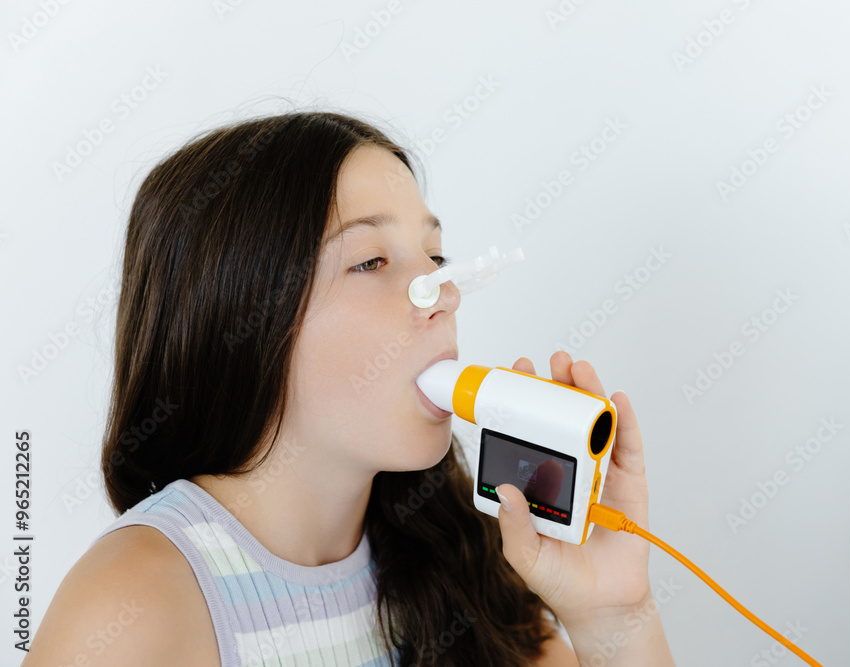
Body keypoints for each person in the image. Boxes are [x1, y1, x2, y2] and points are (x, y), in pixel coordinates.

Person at [23, 111, 676, 666]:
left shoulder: (460, 560)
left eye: (435, 258)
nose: (441, 295)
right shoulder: (135, 600)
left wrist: (614, 617)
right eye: (371, 261)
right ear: (243, 316)